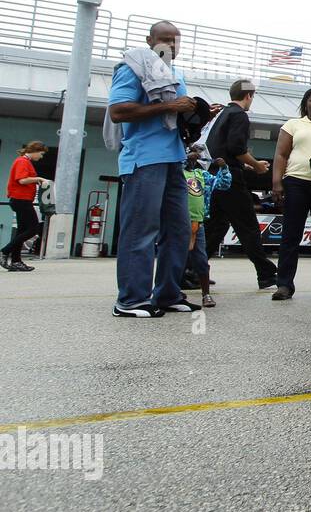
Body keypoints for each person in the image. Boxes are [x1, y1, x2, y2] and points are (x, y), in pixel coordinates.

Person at [108, 21, 210, 317]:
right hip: (144, 160)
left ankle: (167, 294)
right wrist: (169, 107)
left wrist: (197, 115)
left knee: (178, 231)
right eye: (164, 40)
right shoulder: (132, 68)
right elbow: (118, 111)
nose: (170, 45)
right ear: (150, 40)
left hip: (174, 159)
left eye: (176, 41)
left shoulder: (176, 75)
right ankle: (129, 300)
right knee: (141, 230)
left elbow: (178, 118)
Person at [204, 79, 277, 288]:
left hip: (214, 177)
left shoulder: (220, 115)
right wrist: (257, 165)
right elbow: (236, 148)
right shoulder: (239, 115)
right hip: (230, 179)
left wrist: (247, 165)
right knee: (248, 226)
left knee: (215, 226)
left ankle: (191, 270)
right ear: (249, 96)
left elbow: (221, 149)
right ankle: (266, 274)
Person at [270, 88, 311, 301]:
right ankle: (284, 285)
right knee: (291, 235)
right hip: (295, 183)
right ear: (305, 103)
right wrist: (276, 182)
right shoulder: (292, 125)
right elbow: (281, 154)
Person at [183, 146, 231, 308]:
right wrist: (184, 158)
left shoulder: (201, 174)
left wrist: (223, 168)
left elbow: (224, 184)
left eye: (194, 155)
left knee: (201, 261)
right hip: (177, 223)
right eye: (189, 154)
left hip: (198, 223)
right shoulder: (176, 173)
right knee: (174, 259)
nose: (193, 157)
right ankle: (169, 291)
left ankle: (206, 294)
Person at [3, 141, 51, 272]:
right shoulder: (22, 162)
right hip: (21, 200)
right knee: (33, 228)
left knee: (21, 231)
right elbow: (22, 180)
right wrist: (38, 179)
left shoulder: (24, 162)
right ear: (35, 151)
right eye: (41, 154)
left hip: (21, 200)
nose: (41, 157)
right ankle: (4, 251)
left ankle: (16, 261)